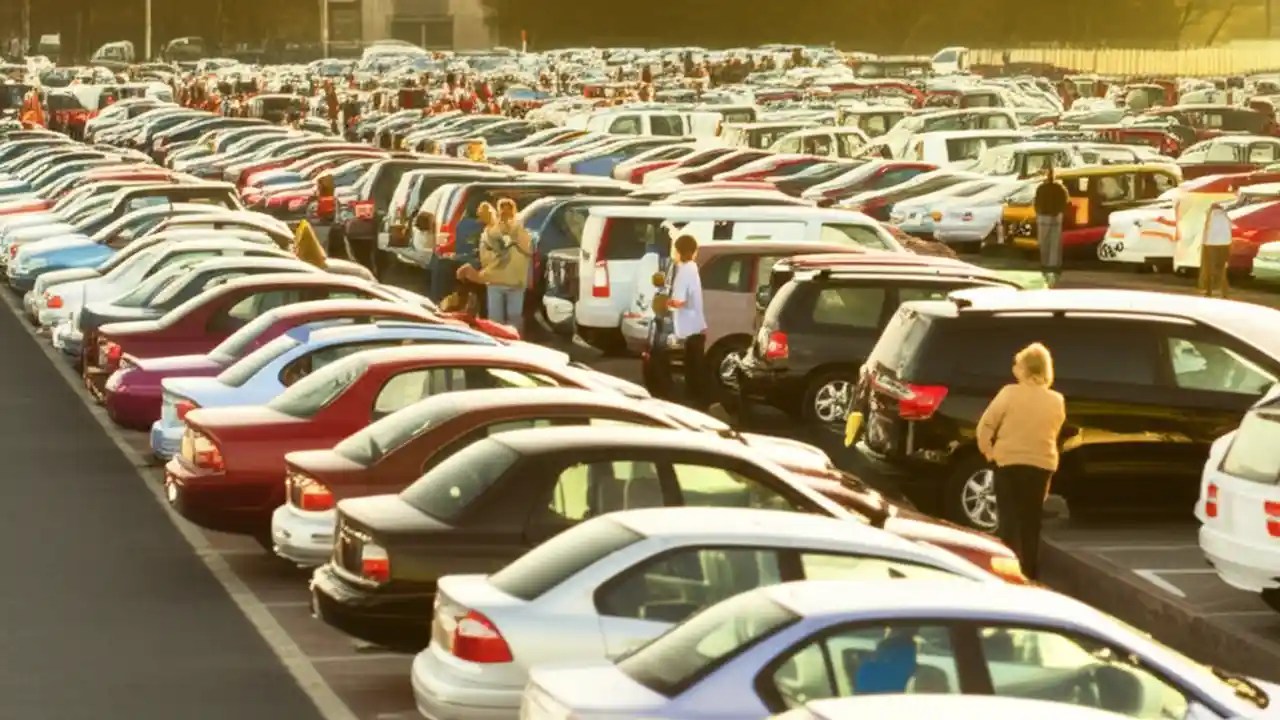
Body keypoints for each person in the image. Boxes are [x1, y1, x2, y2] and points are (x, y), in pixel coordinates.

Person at [976, 343, 1066, 580]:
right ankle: (1030, 573)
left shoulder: (1009, 393)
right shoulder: (1057, 400)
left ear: (1025, 368)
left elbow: (986, 426)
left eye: (1017, 364)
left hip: (1008, 462)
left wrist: (990, 453)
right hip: (1041, 466)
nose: (1014, 368)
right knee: (1031, 521)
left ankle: (1006, 571)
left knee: (1008, 519)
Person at [473, 198, 532, 333]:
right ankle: (515, 345)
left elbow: (485, 257)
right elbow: (529, 252)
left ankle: (498, 345)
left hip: (496, 280)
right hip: (515, 281)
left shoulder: (490, 232)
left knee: (496, 320)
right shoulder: (522, 232)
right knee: (514, 319)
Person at [666, 234, 708, 410]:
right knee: (695, 365)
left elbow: (679, 300)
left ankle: (696, 402)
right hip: (696, 325)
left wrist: (665, 304)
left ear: (678, 251)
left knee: (692, 368)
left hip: (689, 327)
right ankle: (698, 399)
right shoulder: (693, 268)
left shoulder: (684, 271)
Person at [1034, 166, 1068, 287]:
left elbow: (1036, 202)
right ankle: (1053, 265)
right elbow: (1065, 201)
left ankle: (1046, 264)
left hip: (1044, 216)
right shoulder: (1060, 188)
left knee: (1045, 242)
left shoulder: (1041, 188)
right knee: (1054, 242)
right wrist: (1060, 212)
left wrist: (1038, 213)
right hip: (1055, 216)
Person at [1200, 202, 1232, 298]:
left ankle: (1208, 291)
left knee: (1209, 269)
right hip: (1225, 243)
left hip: (1210, 244)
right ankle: (1224, 292)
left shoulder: (1209, 215)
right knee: (1222, 269)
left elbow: (1206, 228)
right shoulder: (1226, 216)